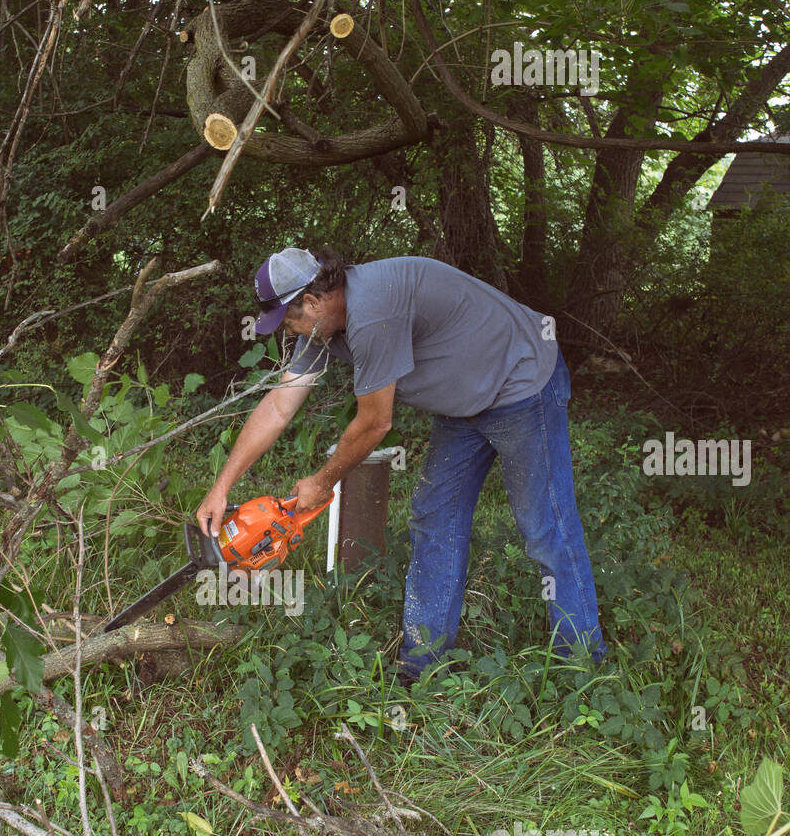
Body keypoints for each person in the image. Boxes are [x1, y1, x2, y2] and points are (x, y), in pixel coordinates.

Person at [196, 247, 606, 682]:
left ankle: (582, 667)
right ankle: (423, 662)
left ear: (313, 302)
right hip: (464, 403)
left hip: (521, 383)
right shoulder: (321, 326)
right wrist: (221, 487)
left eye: (289, 320)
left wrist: (322, 481)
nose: (289, 331)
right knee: (434, 518)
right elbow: (279, 406)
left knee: (546, 527)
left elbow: (375, 423)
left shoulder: (372, 313)